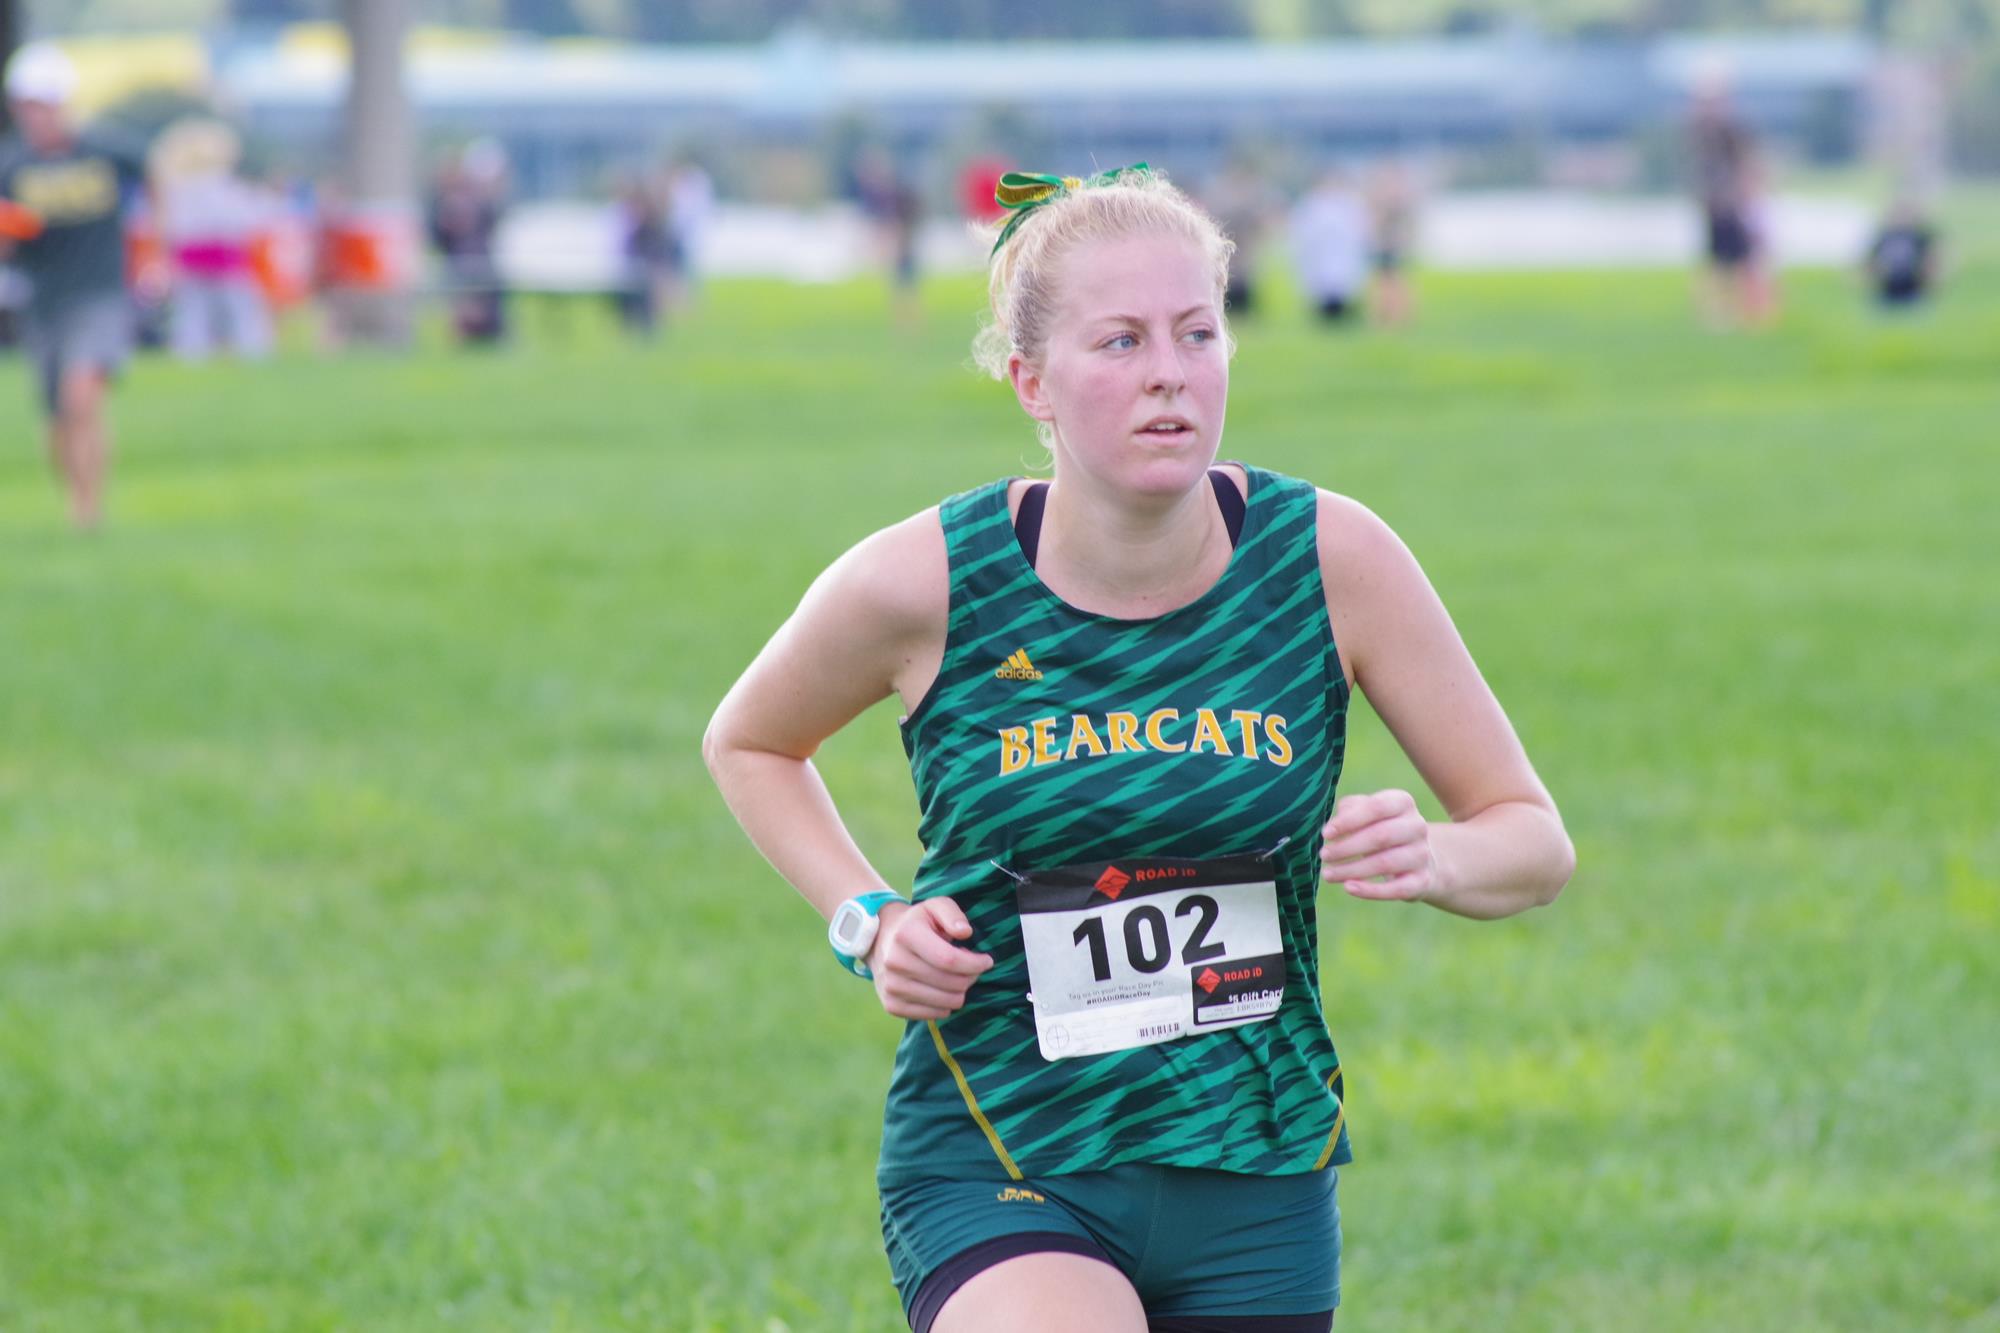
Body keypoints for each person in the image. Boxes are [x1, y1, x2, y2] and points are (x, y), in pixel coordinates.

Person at [703, 165, 1574, 1332]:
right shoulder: (926, 580)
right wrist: (870, 922)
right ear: (1031, 382)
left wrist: (1432, 855)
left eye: (1196, 333)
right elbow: (751, 740)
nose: (1168, 370)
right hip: (1004, 1151)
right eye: (1117, 341)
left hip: (1254, 1168)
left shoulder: (1328, 559)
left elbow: (1531, 840)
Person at [0, 41, 149, 530]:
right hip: (44, 299)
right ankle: (77, 494)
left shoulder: (106, 150)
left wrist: (157, 252)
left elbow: (157, 173)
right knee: (57, 419)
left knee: (81, 396)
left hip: (100, 293)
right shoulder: (13, 167)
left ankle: (89, 511)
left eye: (40, 105)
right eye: (25, 107)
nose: (33, 116)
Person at [1288, 168, 1371, 323]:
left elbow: (1359, 233)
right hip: (1320, 258)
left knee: (1342, 290)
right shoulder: (1311, 205)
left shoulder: (1349, 204)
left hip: (1342, 258)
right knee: (1323, 292)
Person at [1865, 198, 1940, 310]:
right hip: (1886, 292)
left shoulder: (1920, 237)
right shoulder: (1884, 237)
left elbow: (1931, 263)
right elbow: (1870, 264)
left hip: (1914, 292)